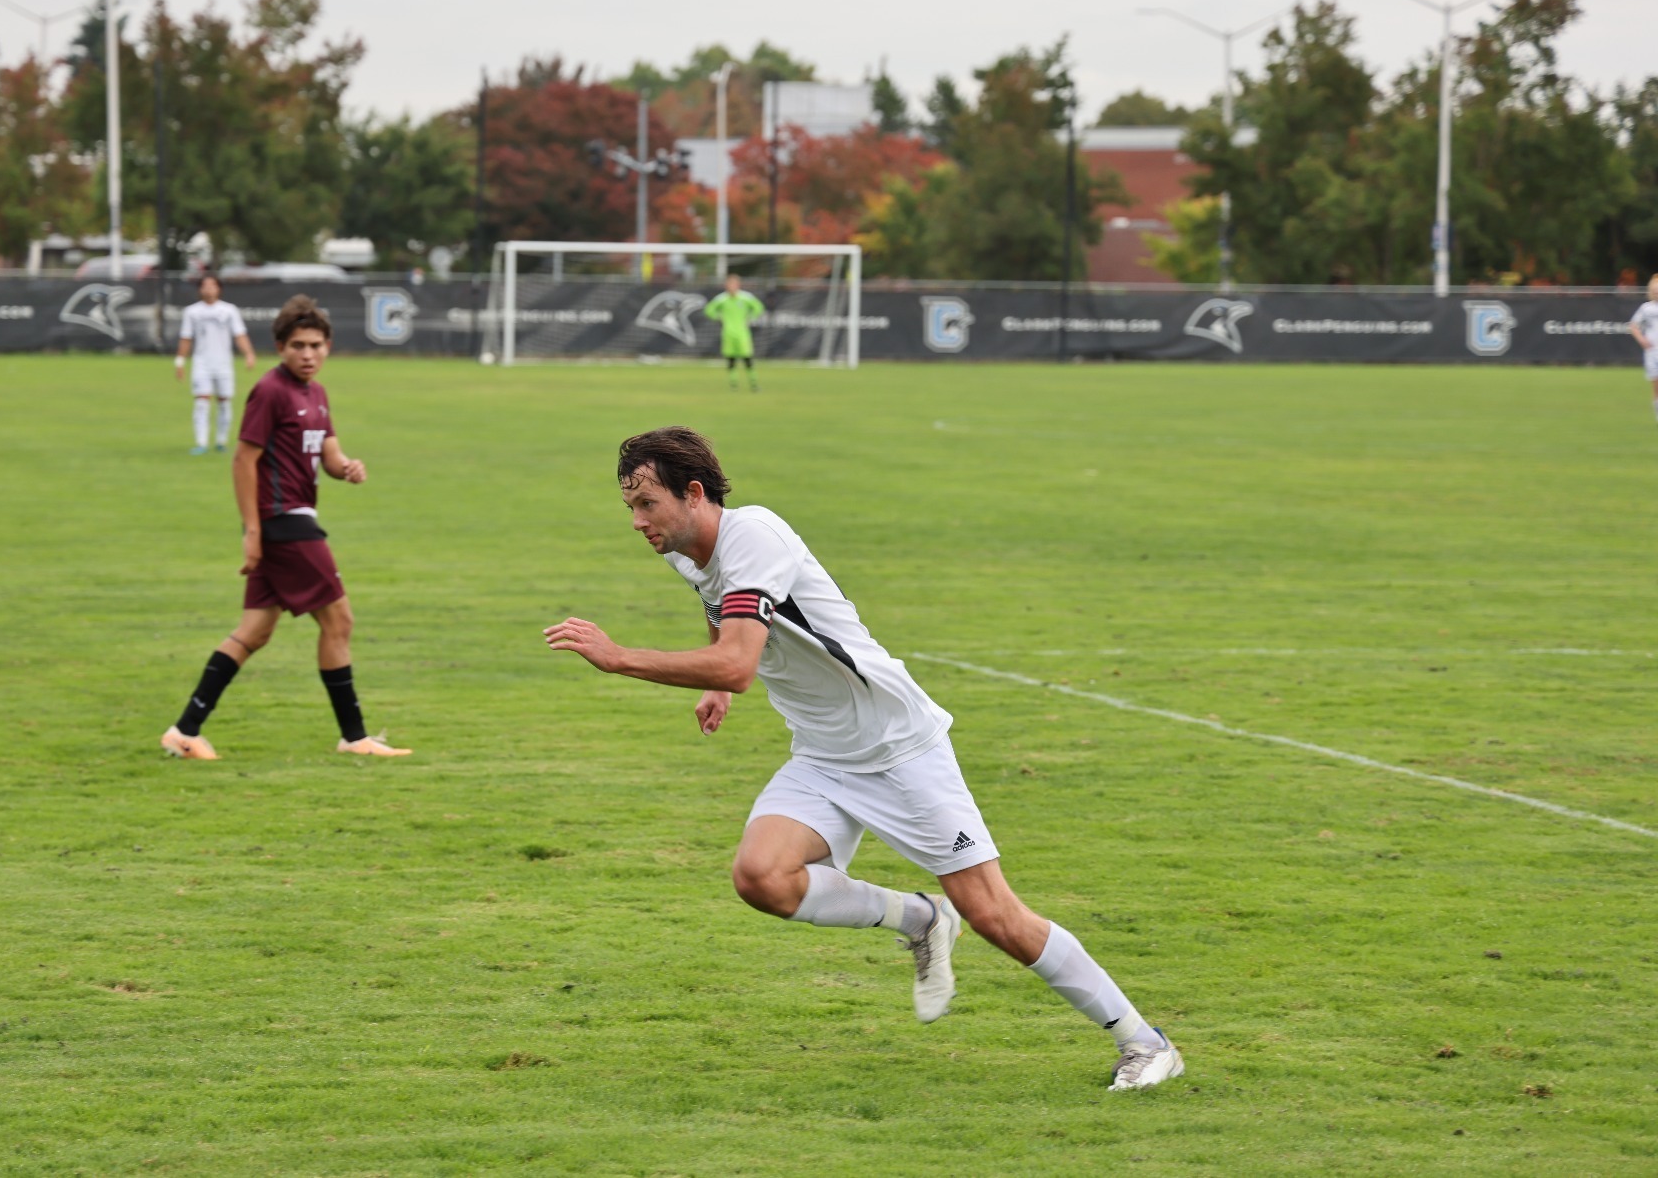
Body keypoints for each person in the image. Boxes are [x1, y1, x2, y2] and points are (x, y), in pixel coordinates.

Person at [544, 427, 1183, 1091]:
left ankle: (1146, 1041)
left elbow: (738, 663)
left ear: (694, 492)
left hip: (898, 748)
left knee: (996, 914)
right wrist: (710, 681)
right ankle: (920, 917)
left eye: (647, 504)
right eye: (630, 508)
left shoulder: (755, 536)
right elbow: (723, 620)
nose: (638, 521)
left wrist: (622, 658)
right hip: (824, 754)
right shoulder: (688, 554)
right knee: (761, 875)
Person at [160, 295, 408, 761]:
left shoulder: (317, 395)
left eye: (316, 345)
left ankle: (184, 731)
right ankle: (354, 737)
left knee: (254, 632)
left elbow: (329, 456)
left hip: (292, 520)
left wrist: (348, 468)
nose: (308, 354)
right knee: (339, 620)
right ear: (280, 347)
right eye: (297, 345)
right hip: (284, 523)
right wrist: (252, 531)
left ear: (328, 347)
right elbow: (243, 460)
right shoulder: (270, 391)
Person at [175, 274, 256, 454]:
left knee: (224, 402)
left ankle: (221, 441)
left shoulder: (229, 311)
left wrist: (249, 354)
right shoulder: (192, 312)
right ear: (200, 289)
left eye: (213, 285)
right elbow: (186, 337)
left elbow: (239, 334)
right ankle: (201, 442)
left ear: (219, 288)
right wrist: (179, 361)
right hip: (201, 363)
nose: (209, 289)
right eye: (205, 285)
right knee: (202, 402)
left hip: (223, 364)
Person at [704, 274, 765, 391]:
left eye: (733, 284)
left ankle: (754, 384)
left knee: (747, 359)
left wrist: (751, 317)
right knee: (731, 360)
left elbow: (759, 307)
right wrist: (718, 317)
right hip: (728, 334)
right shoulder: (721, 299)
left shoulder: (746, 297)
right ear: (726, 285)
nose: (731, 286)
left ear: (738, 285)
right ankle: (733, 384)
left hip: (742, 333)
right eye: (729, 284)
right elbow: (708, 310)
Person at [1629, 275, 1658, 424]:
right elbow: (1633, 325)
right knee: (1656, 386)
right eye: (1654, 290)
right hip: (1652, 353)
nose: (1656, 293)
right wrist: (1641, 340)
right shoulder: (1646, 308)